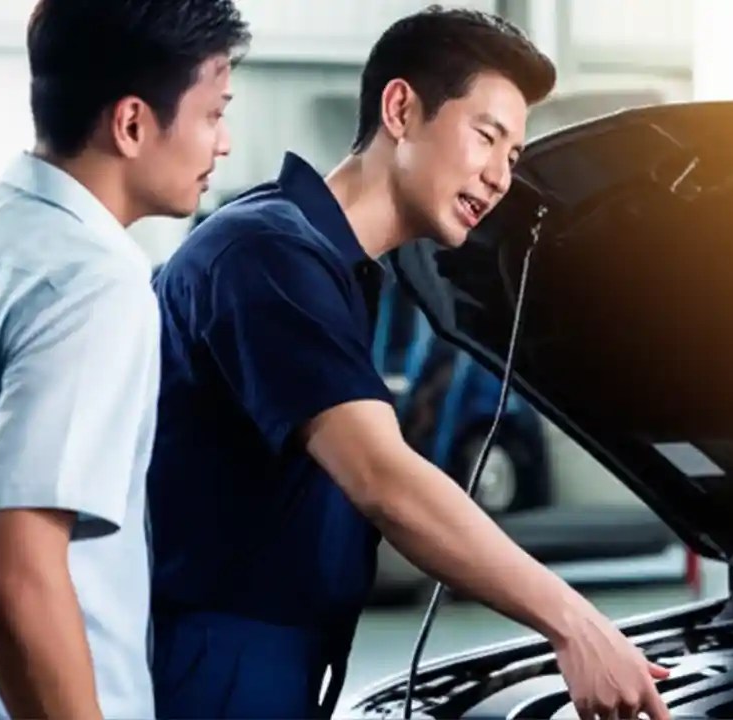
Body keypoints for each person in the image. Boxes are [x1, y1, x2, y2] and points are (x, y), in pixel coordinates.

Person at [146, 6, 671, 720]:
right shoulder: (265, 255)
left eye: (514, 157)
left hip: (275, 652)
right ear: (400, 109)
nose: (499, 178)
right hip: (217, 658)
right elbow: (382, 478)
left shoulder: (335, 269)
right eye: (486, 136)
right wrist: (574, 623)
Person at [0, 1, 249, 717]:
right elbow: (14, 577)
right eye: (214, 113)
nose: (223, 143)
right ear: (132, 124)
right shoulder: (93, 283)